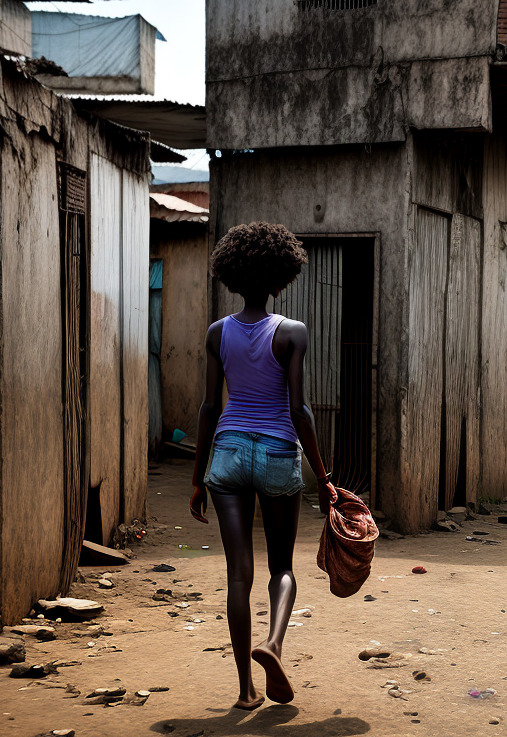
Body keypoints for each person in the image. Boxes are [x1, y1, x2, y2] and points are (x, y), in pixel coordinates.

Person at [189, 222, 335, 710]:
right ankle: (272, 644)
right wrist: (324, 474)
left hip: (227, 454)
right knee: (282, 569)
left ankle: (245, 690)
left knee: (238, 574)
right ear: (279, 279)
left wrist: (195, 477)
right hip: (275, 453)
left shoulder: (217, 333)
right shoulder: (291, 333)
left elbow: (209, 407)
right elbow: (298, 410)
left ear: (233, 276)